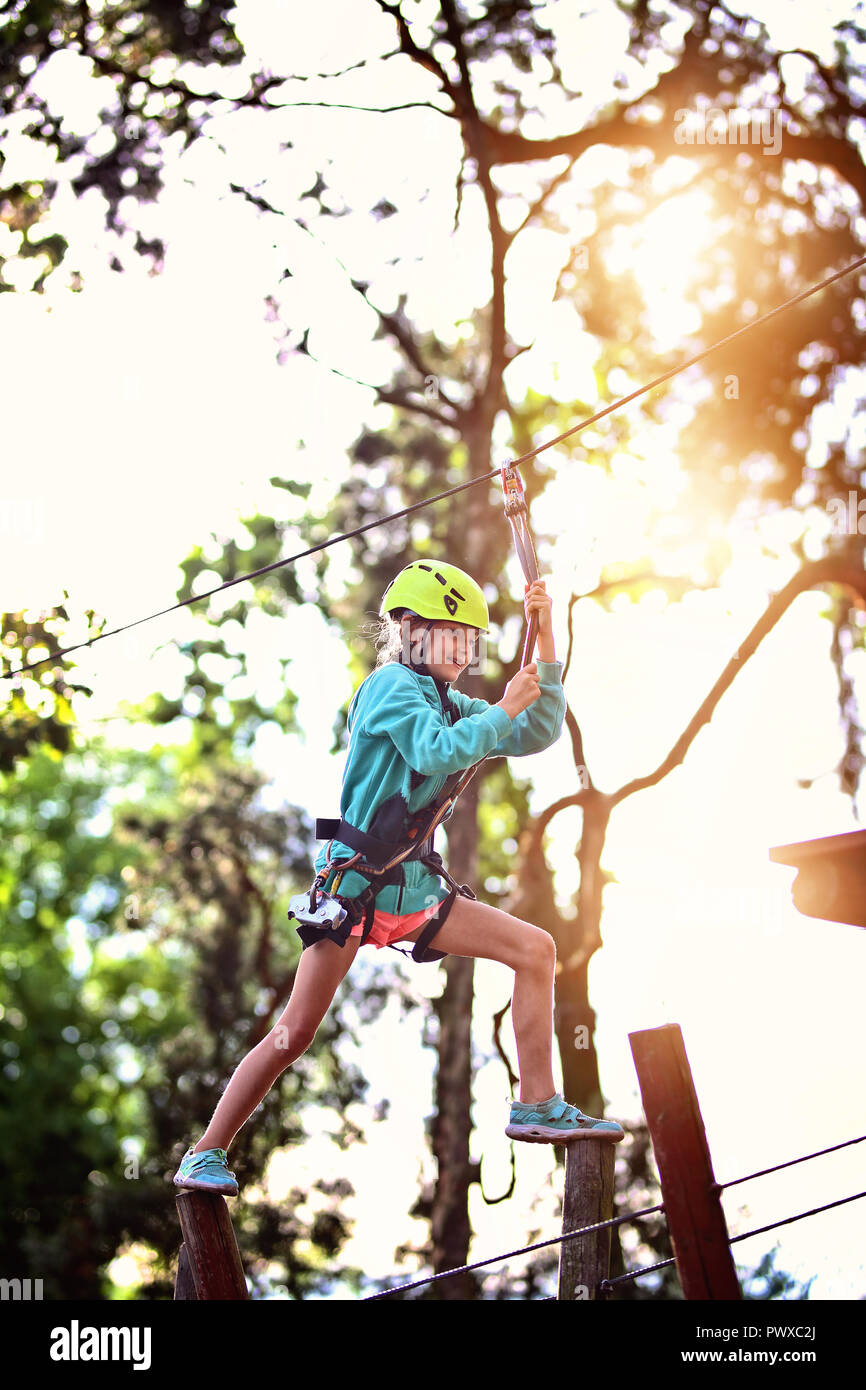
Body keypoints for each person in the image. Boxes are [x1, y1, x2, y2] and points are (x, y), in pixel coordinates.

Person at [173, 560, 623, 1196]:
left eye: (473, 640)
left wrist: (544, 639)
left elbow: (538, 732)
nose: (466, 652)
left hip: (411, 889)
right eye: (455, 636)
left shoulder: (449, 700)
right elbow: (437, 752)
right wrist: (502, 706)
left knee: (535, 950)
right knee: (293, 1032)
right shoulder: (389, 686)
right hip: (352, 891)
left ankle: (537, 1105)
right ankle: (204, 1152)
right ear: (411, 630)